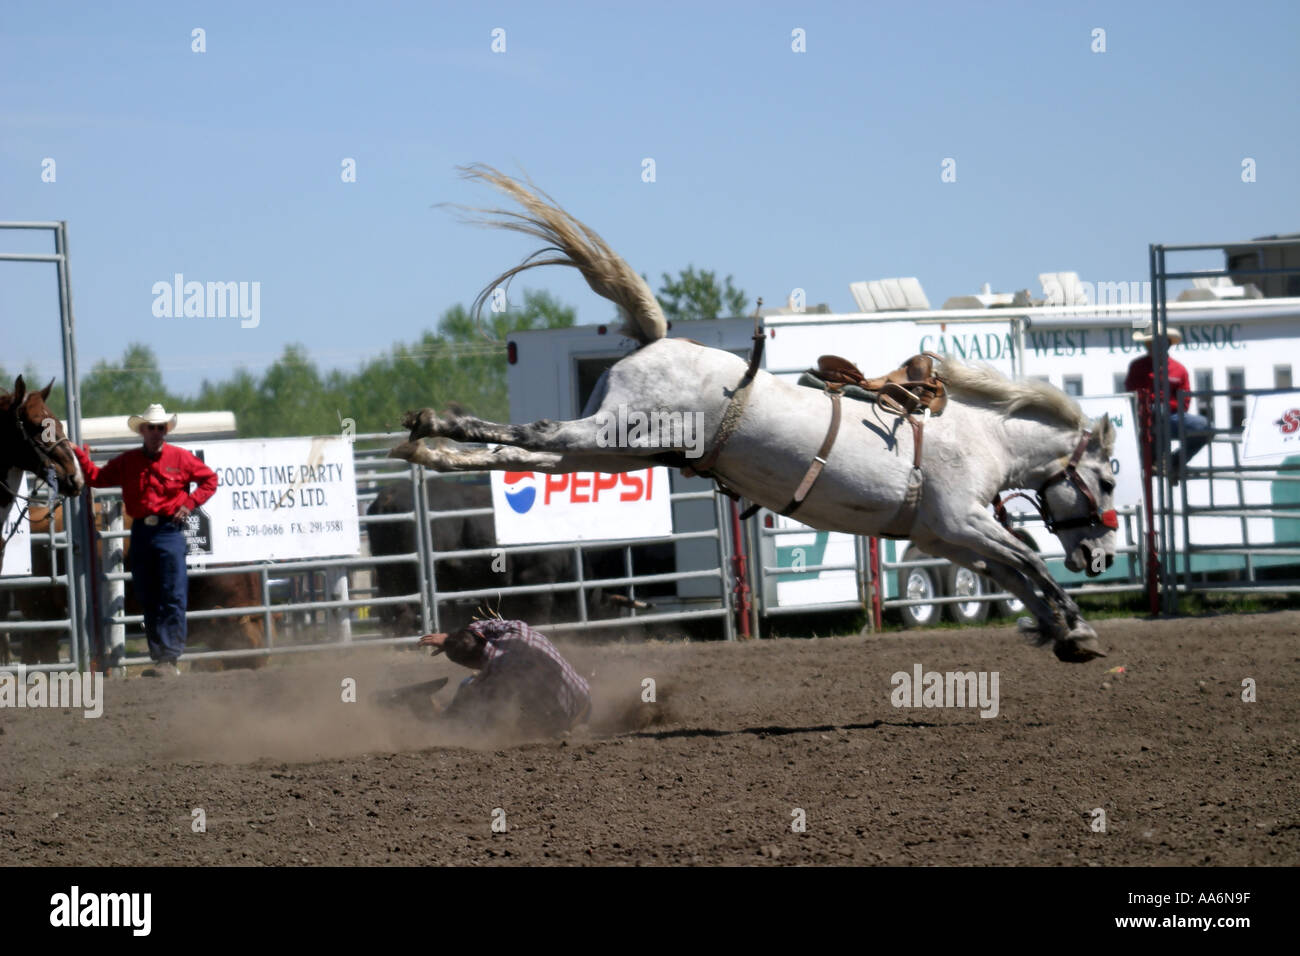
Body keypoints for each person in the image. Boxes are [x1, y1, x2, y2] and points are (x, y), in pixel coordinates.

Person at [72, 404, 218, 676]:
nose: (155, 432)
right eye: (151, 427)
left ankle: (170, 657)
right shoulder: (128, 461)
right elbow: (96, 477)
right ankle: (160, 657)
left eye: (160, 427)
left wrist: (188, 503)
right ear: (142, 430)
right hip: (141, 531)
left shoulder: (181, 458)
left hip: (169, 531)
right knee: (148, 595)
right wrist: (78, 454)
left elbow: (210, 480)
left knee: (172, 594)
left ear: (165, 431)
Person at [417, 617, 591, 738]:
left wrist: (444, 716)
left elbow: (470, 703)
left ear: (470, 662)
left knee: (483, 712)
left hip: (563, 718)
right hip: (583, 696)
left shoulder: (495, 673)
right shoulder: (517, 629)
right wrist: (451, 639)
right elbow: (487, 626)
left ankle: (562, 728)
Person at [1125, 328, 1211, 484]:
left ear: (1167, 344)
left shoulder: (1179, 369)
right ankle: (1158, 462)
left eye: (1156, 343)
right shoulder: (1138, 367)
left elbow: (1184, 401)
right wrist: (1151, 408)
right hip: (1145, 419)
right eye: (1149, 343)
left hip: (1171, 417)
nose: (1151, 346)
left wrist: (1166, 406)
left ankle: (1172, 461)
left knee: (1205, 427)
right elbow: (1133, 396)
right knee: (1155, 418)